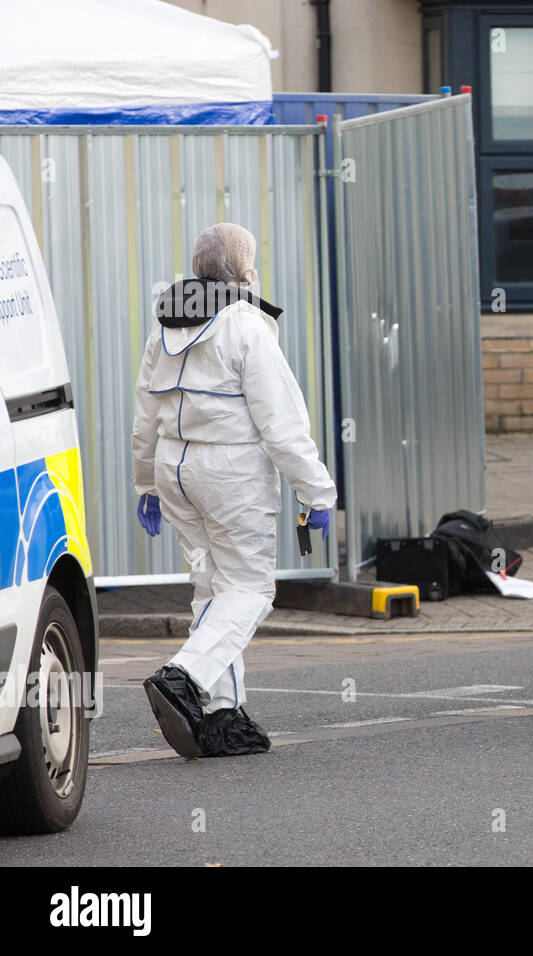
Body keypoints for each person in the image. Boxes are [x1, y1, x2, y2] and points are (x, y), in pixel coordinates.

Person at [132, 223, 336, 757]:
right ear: (246, 272)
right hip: (231, 475)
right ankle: (184, 676)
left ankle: (223, 715)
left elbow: (145, 415)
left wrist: (145, 482)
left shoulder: (165, 326)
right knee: (249, 589)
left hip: (175, 470)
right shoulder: (246, 325)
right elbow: (282, 424)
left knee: (211, 590)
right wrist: (317, 493)